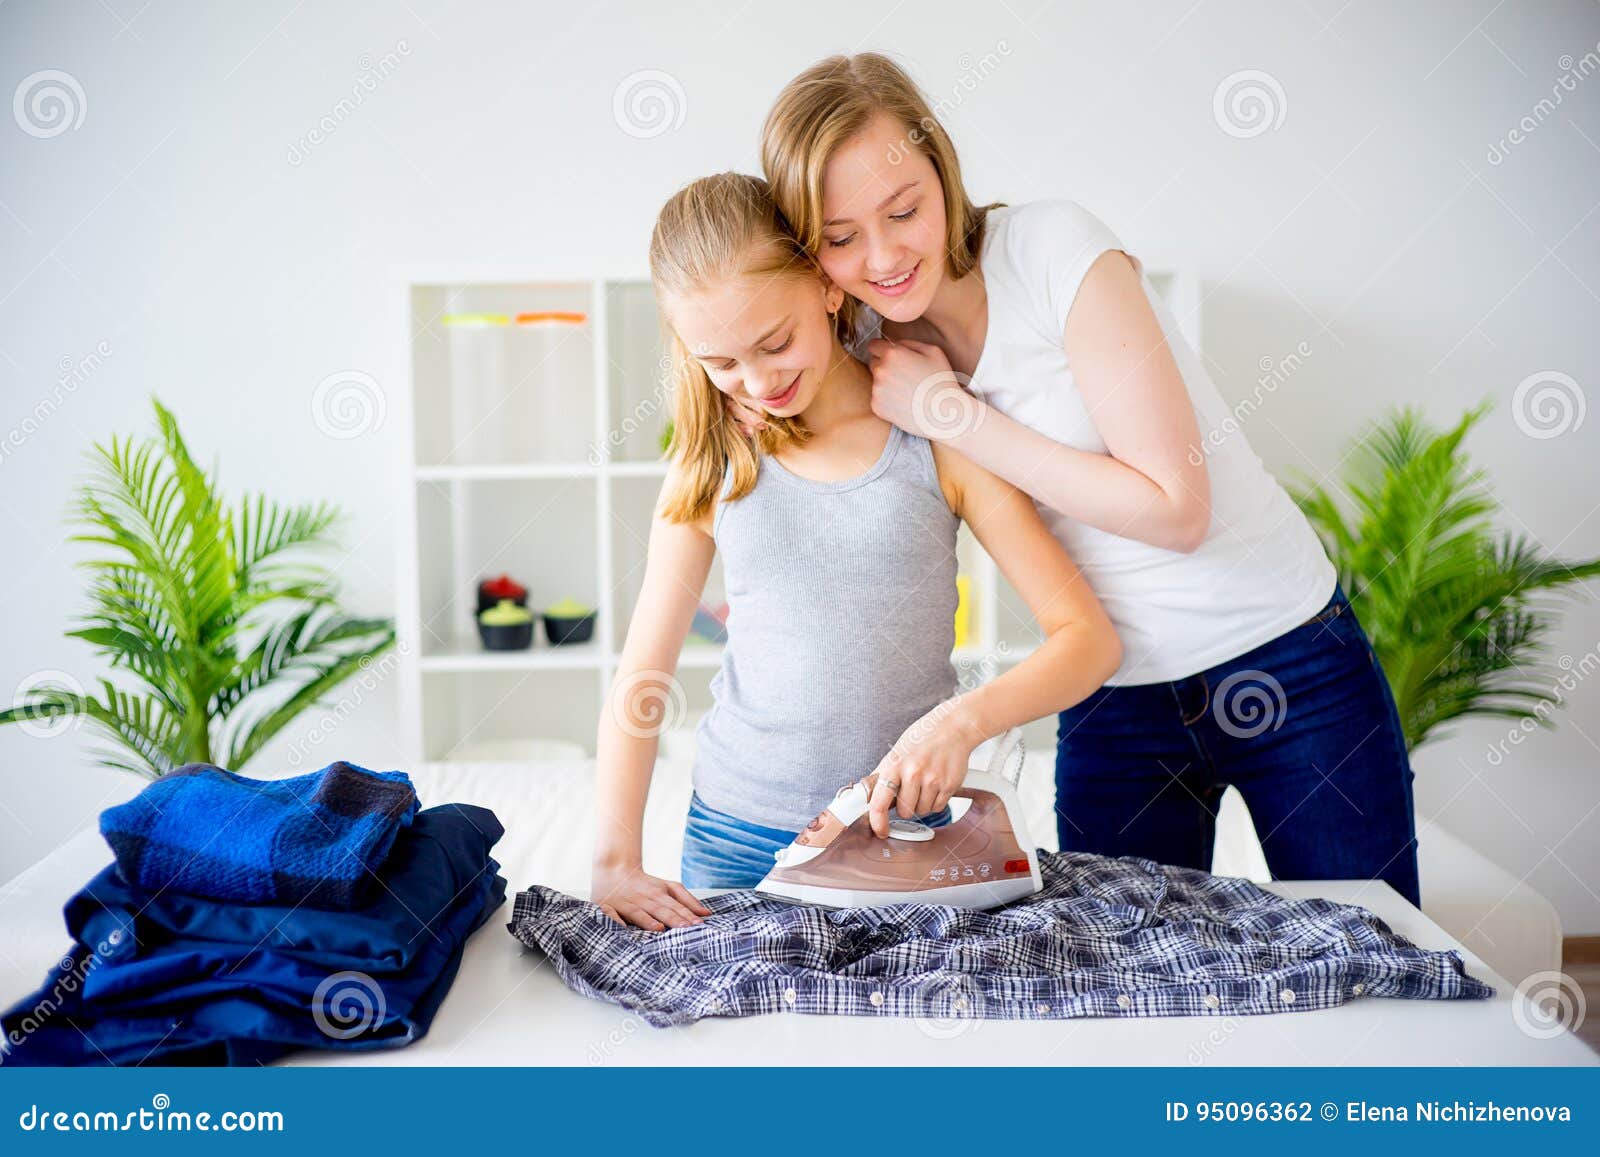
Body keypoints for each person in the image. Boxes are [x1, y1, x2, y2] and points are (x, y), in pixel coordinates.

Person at [750, 53, 1421, 906]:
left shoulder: (1053, 249)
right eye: (841, 239)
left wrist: (955, 415)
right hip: (1116, 704)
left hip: (1290, 661)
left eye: (905, 209)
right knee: (1129, 984)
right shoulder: (866, 344)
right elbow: (747, 353)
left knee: (1377, 950)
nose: (882, 256)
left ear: (943, 174)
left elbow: (1177, 508)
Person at [590, 172, 1122, 930]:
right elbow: (642, 677)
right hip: (732, 838)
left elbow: (1088, 640)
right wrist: (615, 862)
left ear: (825, 287)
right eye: (721, 362)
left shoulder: (935, 438)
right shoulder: (713, 459)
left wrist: (958, 724)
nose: (758, 381)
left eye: (775, 342)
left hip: (897, 842)